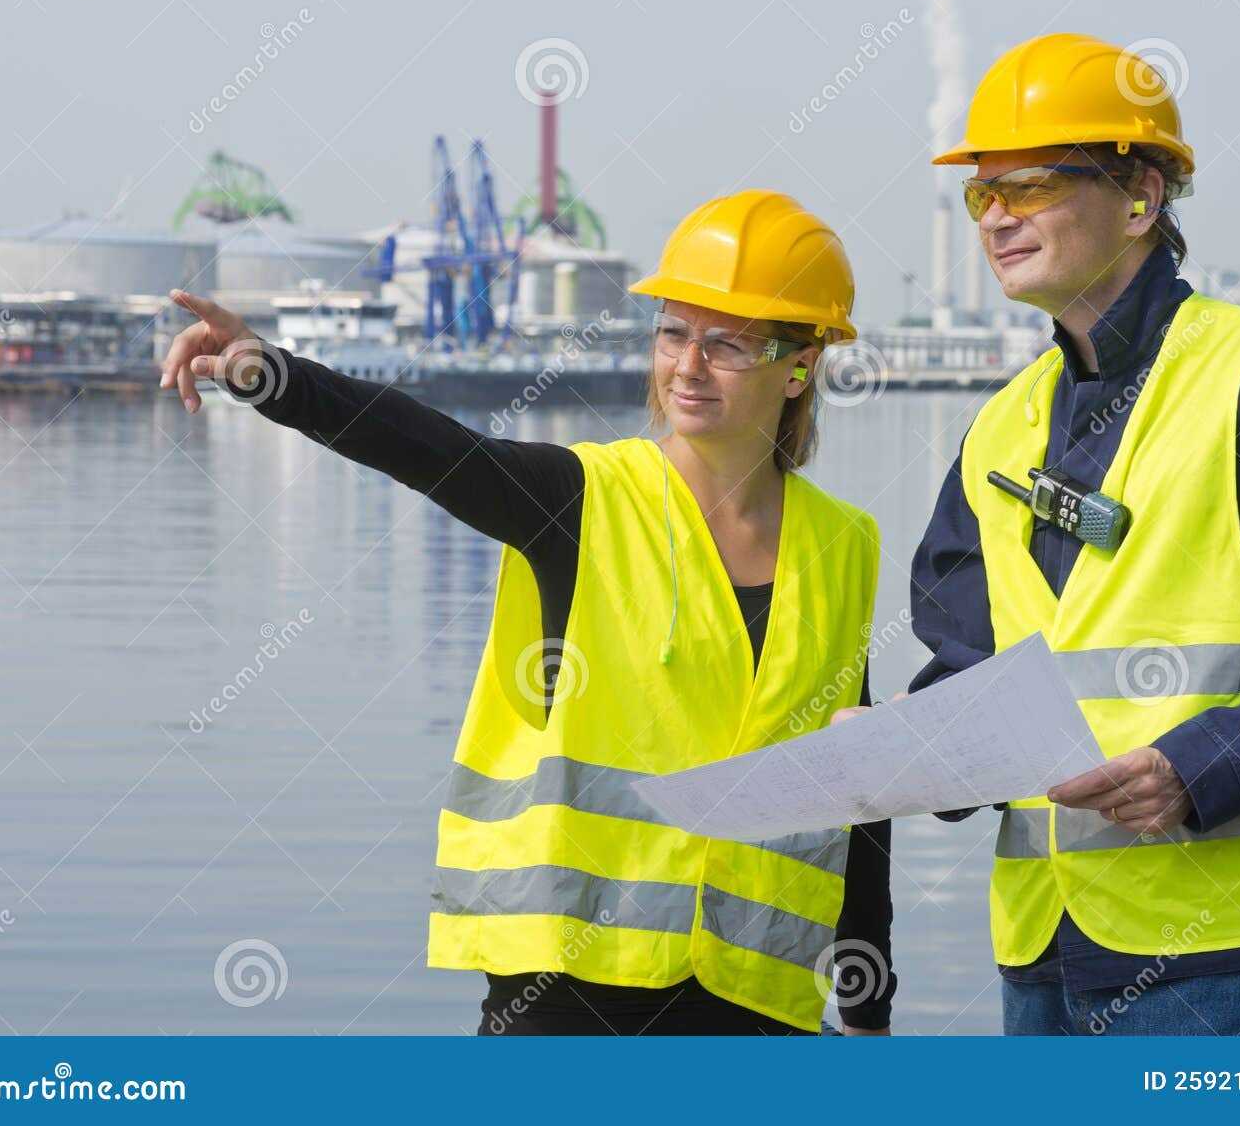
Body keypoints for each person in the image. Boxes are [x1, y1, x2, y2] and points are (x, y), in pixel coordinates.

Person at [156, 189, 895, 1036]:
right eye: (672, 333)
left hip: (758, 1002)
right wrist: (269, 374)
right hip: (566, 996)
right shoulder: (580, 500)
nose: (688, 365)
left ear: (799, 366)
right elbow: (419, 442)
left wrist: (868, 1007)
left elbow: (856, 788)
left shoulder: (843, 545)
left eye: (725, 344)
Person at [905, 32, 1240, 1035]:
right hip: (1044, 947)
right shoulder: (1000, 428)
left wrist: (1196, 768)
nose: (995, 217)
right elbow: (969, 663)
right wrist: (904, 748)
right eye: (981, 193)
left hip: (1225, 951)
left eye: (1030, 184)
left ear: (1140, 198)